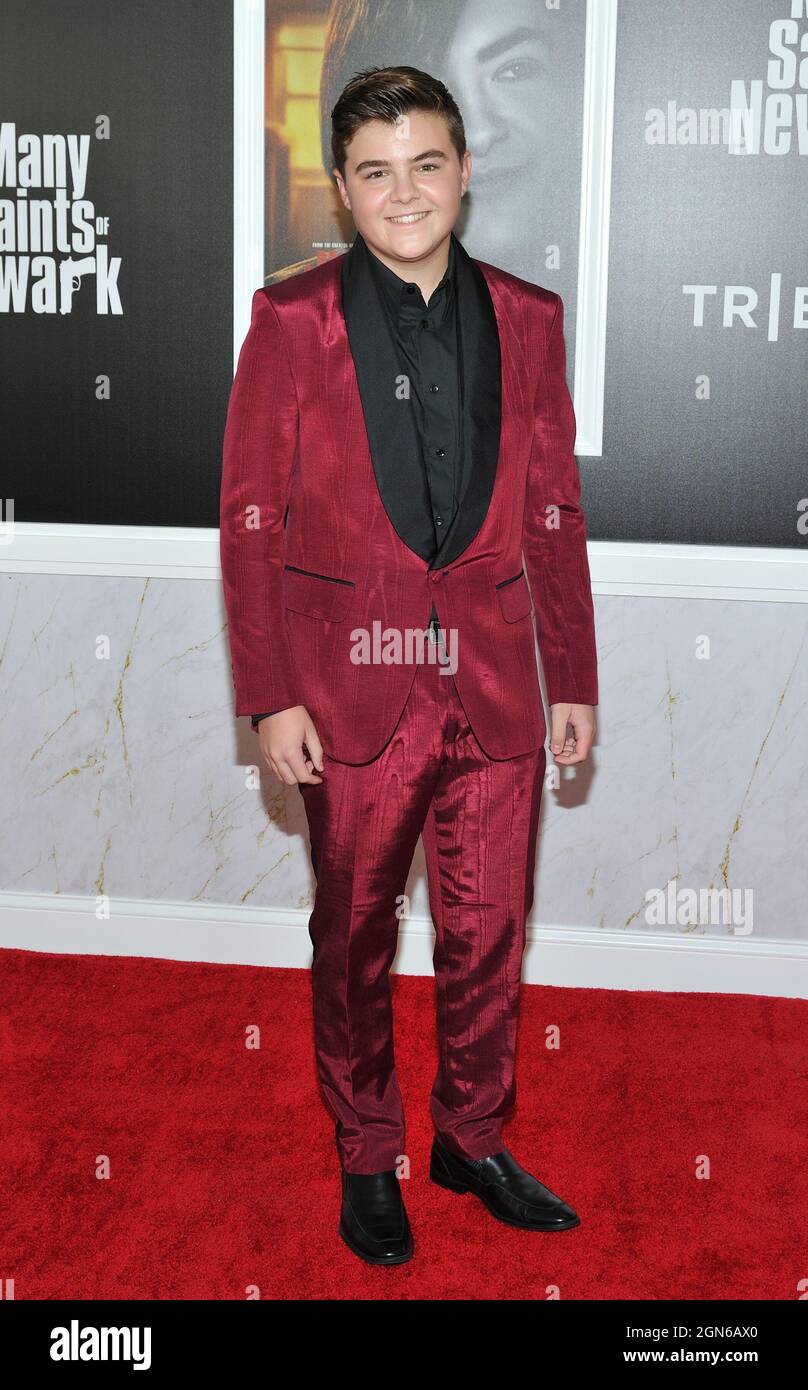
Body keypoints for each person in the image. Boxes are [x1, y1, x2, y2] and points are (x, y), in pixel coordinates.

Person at [220, 65, 598, 1267]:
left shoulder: (529, 318)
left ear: (465, 171)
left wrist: (571, 677)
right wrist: (268, 694)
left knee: (491, 930)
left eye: (425, 164)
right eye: (375, 172)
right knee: (355, 933)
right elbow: (250, 520)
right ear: (342, 187)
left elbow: (553, 513)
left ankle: (471, 1137)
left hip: (494, 683)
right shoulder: (292, 320)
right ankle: (367, 1148)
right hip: (344, 690)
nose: (403, 192)